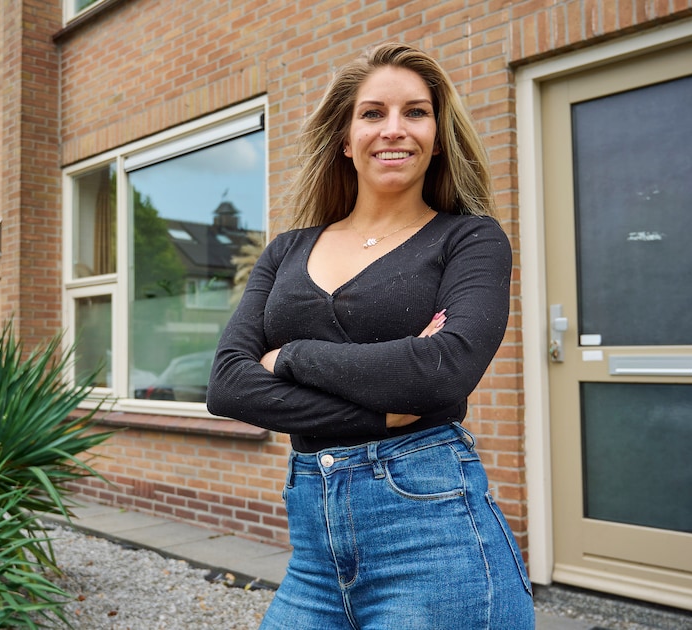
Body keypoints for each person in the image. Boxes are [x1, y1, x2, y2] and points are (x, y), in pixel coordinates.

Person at [206, 42, 534, 629]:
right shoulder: (286, 250)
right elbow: (228, 384)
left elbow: (442, 372)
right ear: (344, 135)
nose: (395, 130)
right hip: (313, 547)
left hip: (433, 535)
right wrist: (383, 412)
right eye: (372, 113)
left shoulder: (470, 240)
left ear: (437, 135)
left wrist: (290, 357)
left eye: (416, 112)